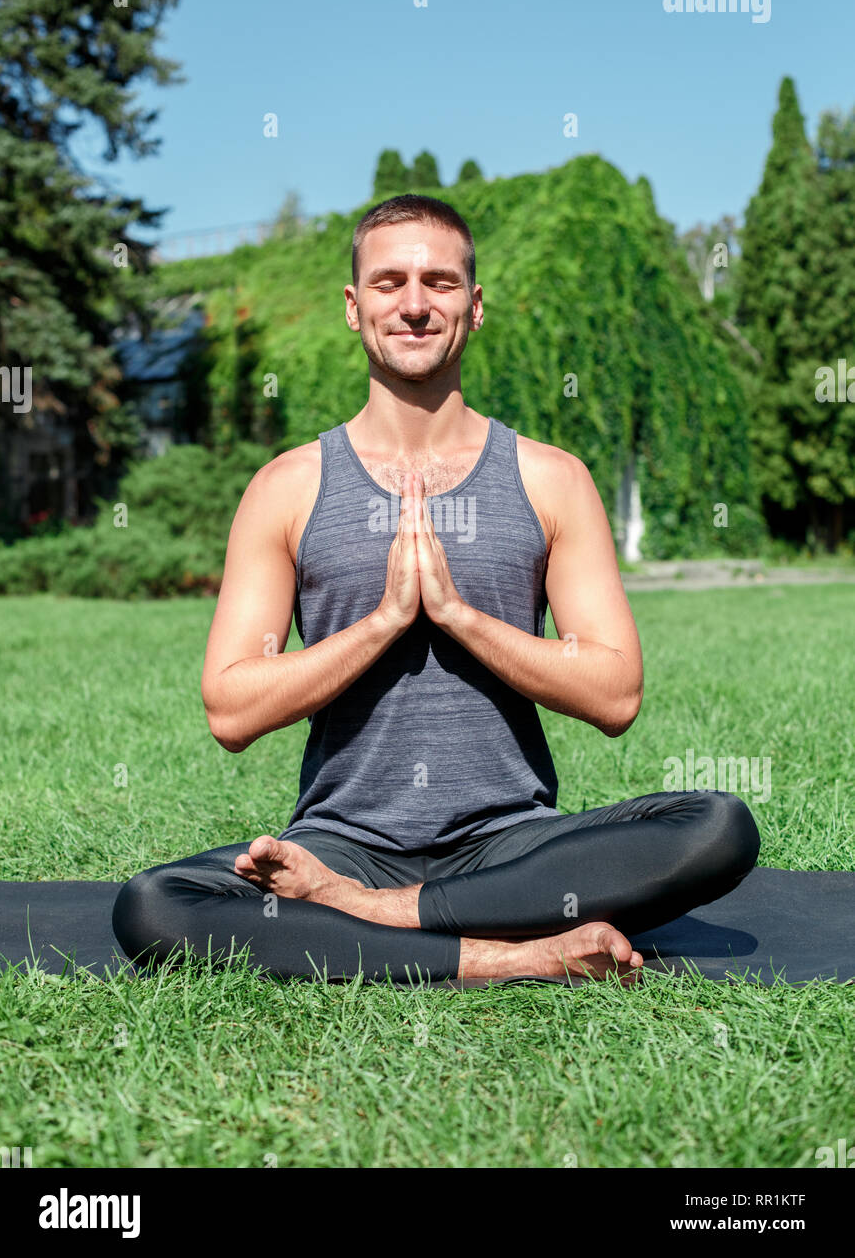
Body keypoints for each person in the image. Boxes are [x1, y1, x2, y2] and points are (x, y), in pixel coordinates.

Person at [112, 194, 760, 987]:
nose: (414, 305)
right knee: (154, 904)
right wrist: (385, 621)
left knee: (718, 826)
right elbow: (231, 710)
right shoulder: (287, 487)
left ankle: (379, 914)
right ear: (354, 308)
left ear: (475, 306)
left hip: (511, 845)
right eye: (388, 283)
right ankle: (509, 958)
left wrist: (457, 616)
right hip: (342, 841)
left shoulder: (550, 479)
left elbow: (616, 694)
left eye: (440, 283)